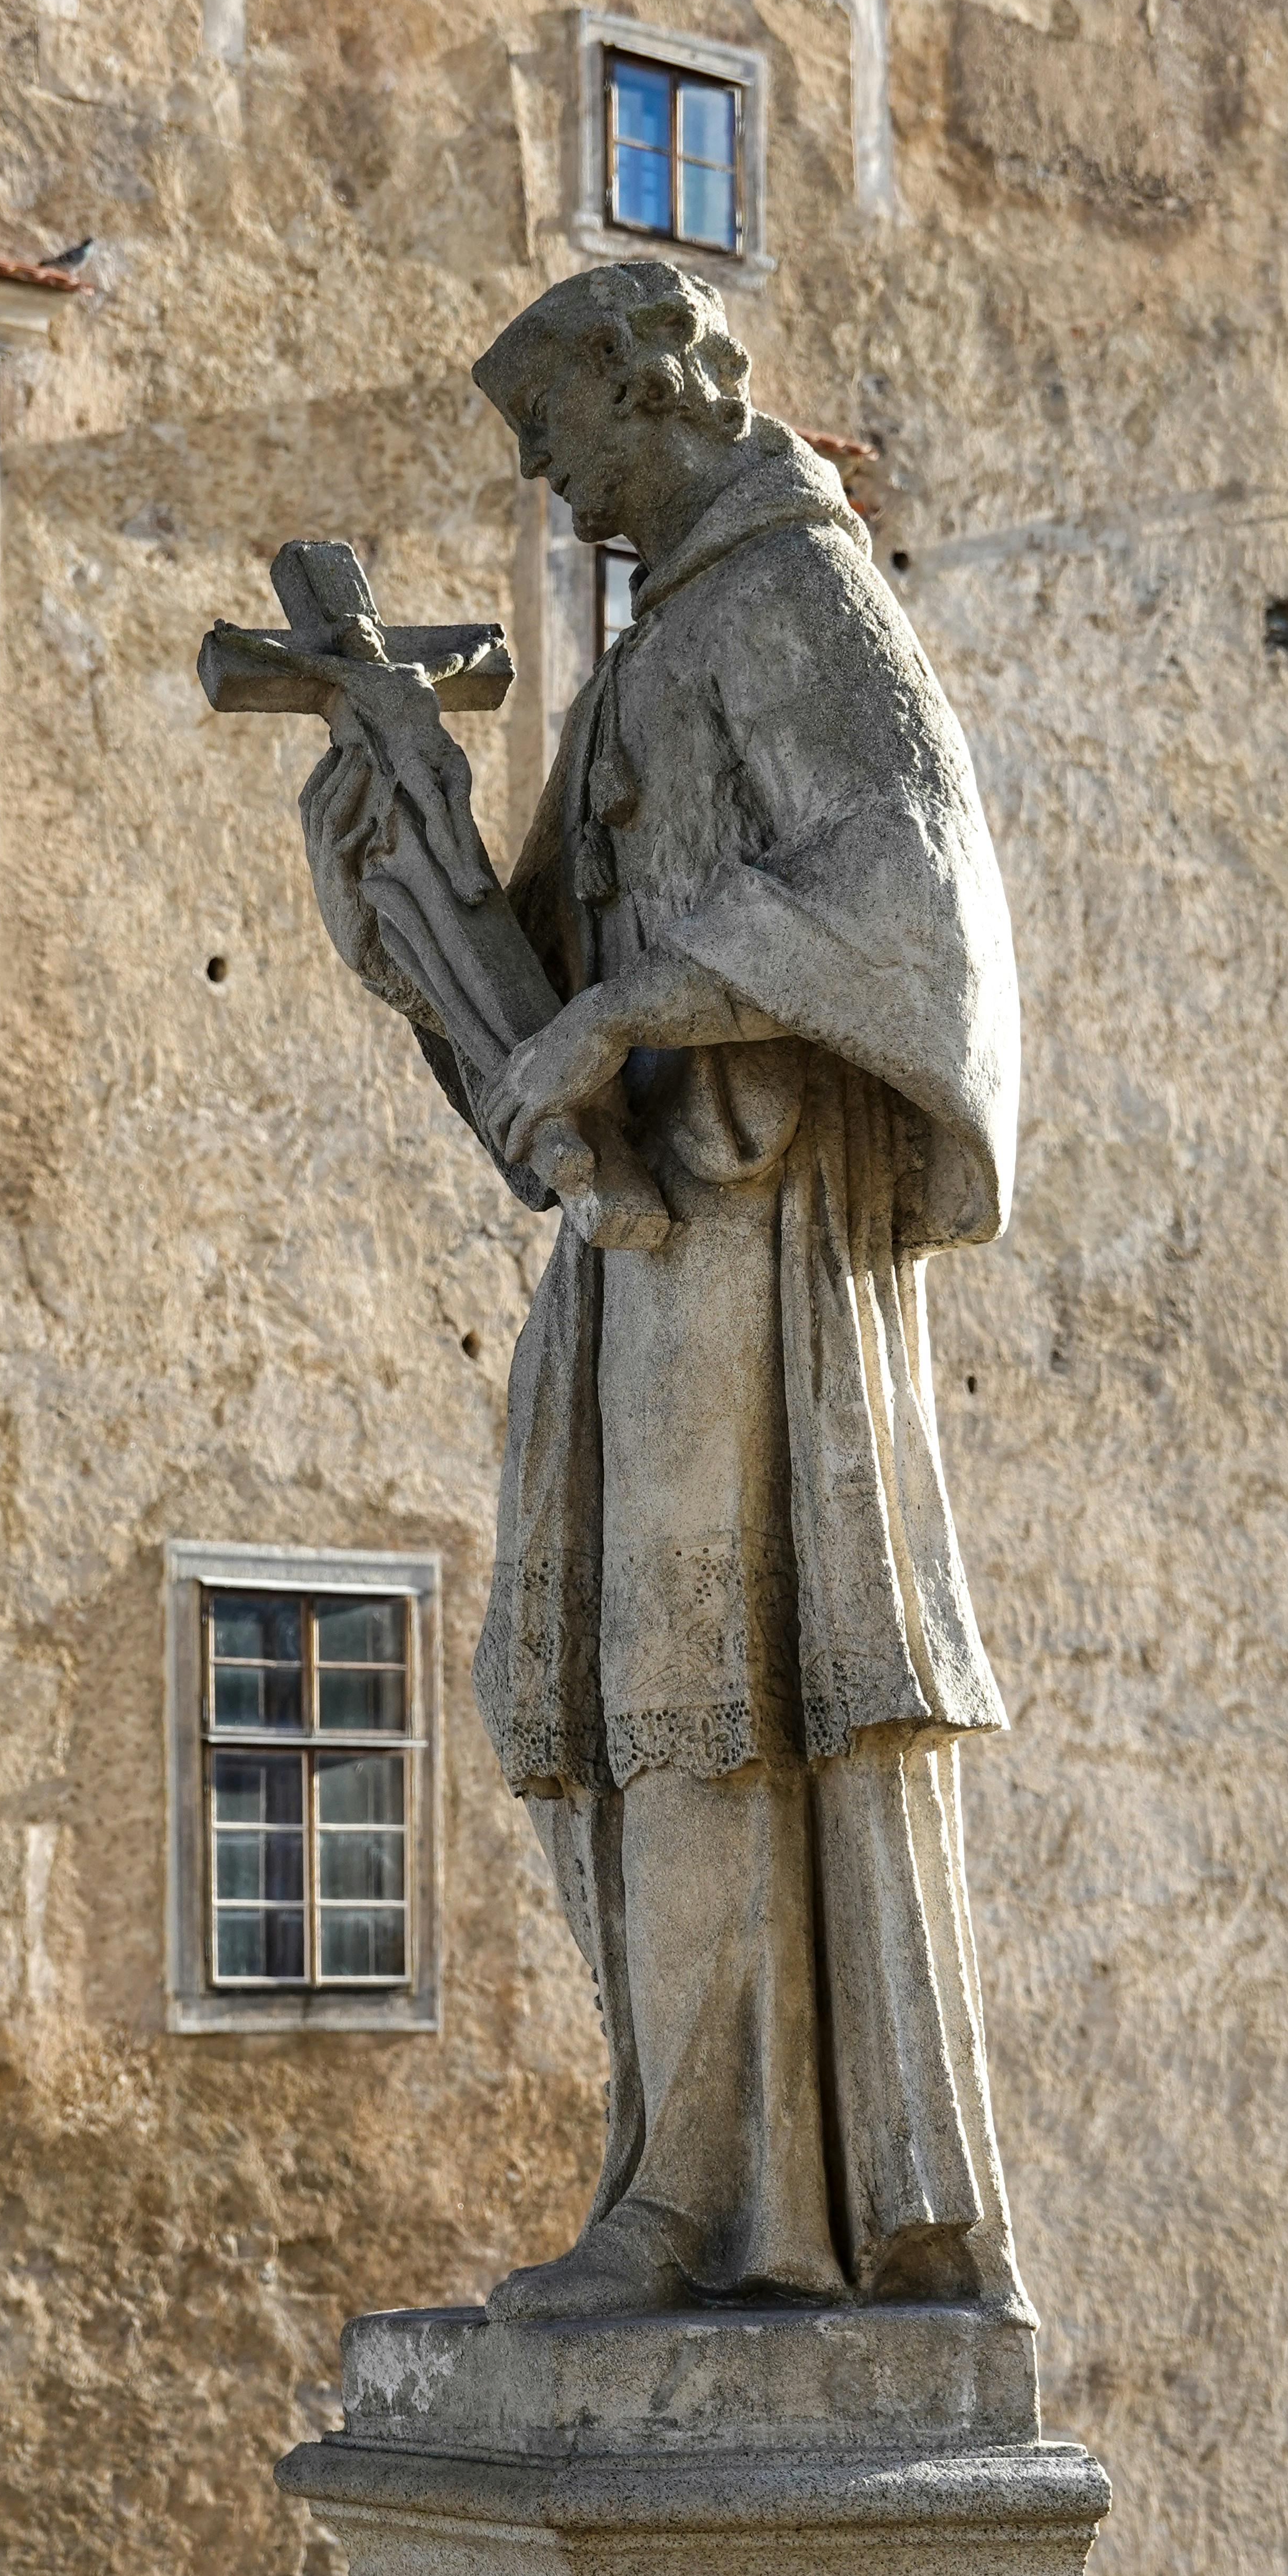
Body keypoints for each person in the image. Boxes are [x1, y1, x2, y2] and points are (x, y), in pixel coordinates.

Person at [303, 259, 1031, 2324]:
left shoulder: (797, 598)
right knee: (625, 1702)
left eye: (563, 443)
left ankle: (728, 2202)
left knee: (713, 1689)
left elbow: (909, 892)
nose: (552, 491)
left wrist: (632, 1007)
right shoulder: (661, 644)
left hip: (757, 1230)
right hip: (650, 1248)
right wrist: (403, 868)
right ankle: (687, 2174)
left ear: (658, 393)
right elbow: (528, 1000)